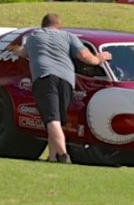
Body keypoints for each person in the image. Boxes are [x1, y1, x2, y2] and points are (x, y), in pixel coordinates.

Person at [10, 13, 111, 163]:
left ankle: (63, 155)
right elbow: (84, 56)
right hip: (67, 80)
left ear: (42, 25)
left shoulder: (34, 36)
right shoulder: (69, 36)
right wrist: (99, 59)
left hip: (45, 78)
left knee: (52, 119)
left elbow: (23, 53)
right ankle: (52, 157)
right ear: (59, 25)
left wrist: (13, 48)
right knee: (56, 120)